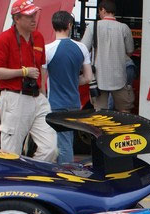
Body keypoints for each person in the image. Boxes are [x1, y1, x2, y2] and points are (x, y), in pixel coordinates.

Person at [0, 0, 57, 161]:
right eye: (29, 16)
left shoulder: (38, 37)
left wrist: (42, 94)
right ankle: (11, 181)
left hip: (37, 97)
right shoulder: (4, 39)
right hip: (15, 98)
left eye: (35, 14)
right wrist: (23, 72)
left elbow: (40, 68)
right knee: (11, 151)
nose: (34, 19)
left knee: (51, 148)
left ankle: (33, 177)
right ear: (17, 19)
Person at [44, 10, 91, 164]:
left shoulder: (47, 49)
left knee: (61, 144)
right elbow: (88, 77)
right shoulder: (82, 48)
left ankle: (66, 175)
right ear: (69, 25)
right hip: (74, 102)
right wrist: (73, 80)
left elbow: (43, 80)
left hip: (55, 102)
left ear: (53, 26)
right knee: (67, 139)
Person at [81, 0, 134, 112]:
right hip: (120, 78)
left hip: (99, 79)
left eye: (99, 11)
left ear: (103, 10)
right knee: (125, 112)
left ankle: (102, 130)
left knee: (100, 113)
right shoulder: (124, 28)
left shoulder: (93, 26)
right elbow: (130, 51)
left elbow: (83, 49)